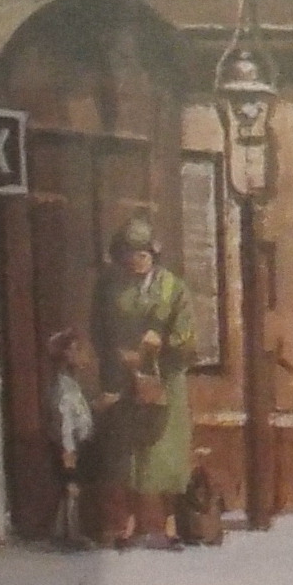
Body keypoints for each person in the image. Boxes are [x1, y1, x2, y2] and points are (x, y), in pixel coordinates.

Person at [90, 214, 196, 549]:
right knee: (130, 456)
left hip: (165, 383)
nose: (135, 261)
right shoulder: (110, 288)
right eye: (128, 254)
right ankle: (130, 525)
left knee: (167, 453)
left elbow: (188, 338)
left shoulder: (173, 288)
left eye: (141, 254)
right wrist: (118, 356)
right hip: (126, 381)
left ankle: (170, 525)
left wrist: (163, 344)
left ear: (153, 254)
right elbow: (100, 330)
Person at [44, 328, 102, 549]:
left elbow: (78, 414)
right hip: (69, 448)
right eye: (80, 351)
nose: (85, 357)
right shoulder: (64, 389)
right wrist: (69, 455)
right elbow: (65, 424)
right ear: (68, 354)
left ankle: (60, 533)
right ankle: (71, 534)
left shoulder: (72, 386)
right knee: (71, 489)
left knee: (70, 491)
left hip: (76, 445)